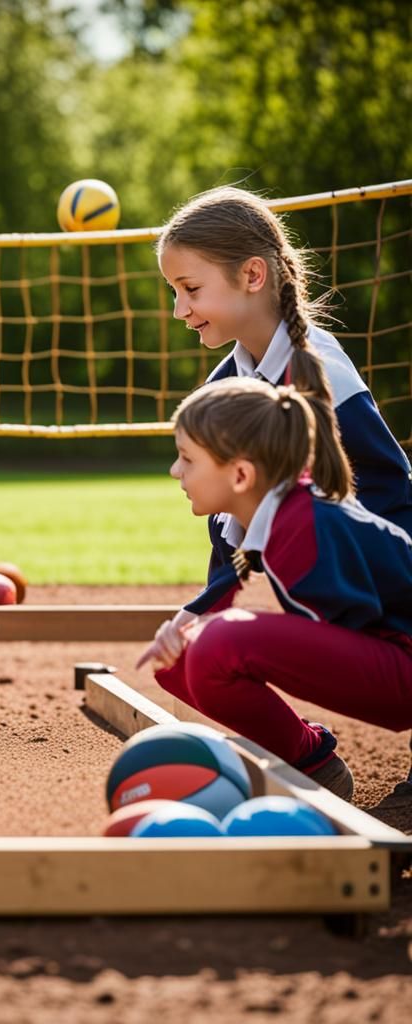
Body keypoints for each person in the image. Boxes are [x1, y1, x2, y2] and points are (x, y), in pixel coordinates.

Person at [137, 377, 412, 800]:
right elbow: (251, 562)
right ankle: (313, 763)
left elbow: (357, 624)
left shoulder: (308, 525)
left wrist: (224, 631)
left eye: (187, 459)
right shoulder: (280, 514)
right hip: (390, 658)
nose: (176, 471)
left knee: (218, 643)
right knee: (181, 658)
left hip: (402, 663)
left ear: (242, 474)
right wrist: (194, 626)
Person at [157, 186, 412, 625]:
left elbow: (390, 496)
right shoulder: (225, 384)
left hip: (377, 603)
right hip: (310, 591)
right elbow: (228, 524)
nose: (180, 309)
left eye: (191, 289)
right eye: (174, 292)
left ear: (253, 275)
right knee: (190, 660)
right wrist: (208, 605)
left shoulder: (323, 376)